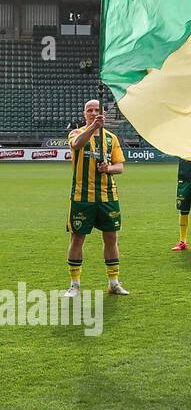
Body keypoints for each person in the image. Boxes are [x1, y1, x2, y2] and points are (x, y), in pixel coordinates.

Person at [64, 99, 128, 297]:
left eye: (96, 110)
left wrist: (108, 168)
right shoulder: (77, 133)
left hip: (108, 195)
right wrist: (93, 127)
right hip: (82, 196)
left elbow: (120, 166)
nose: (92, 112)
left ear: (104, 113)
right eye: (89, 110)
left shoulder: (111, 138)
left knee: (111, 238)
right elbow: (77, 144)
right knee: (77, 238)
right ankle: (74, 284)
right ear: (85, 114)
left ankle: (114, 283)